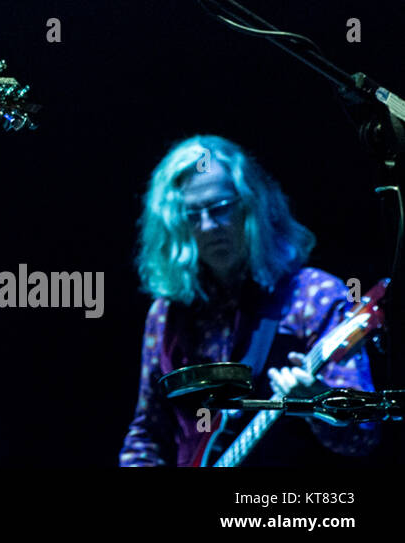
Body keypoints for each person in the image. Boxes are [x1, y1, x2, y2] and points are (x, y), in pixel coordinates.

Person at [119, 135, 380, 466]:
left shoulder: (314, 294)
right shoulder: (166, 314)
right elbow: (147, 433)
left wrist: (318, 404)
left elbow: (364, 434)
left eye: (220, 209)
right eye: (192, 215)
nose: (209, 226)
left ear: (251, 205)